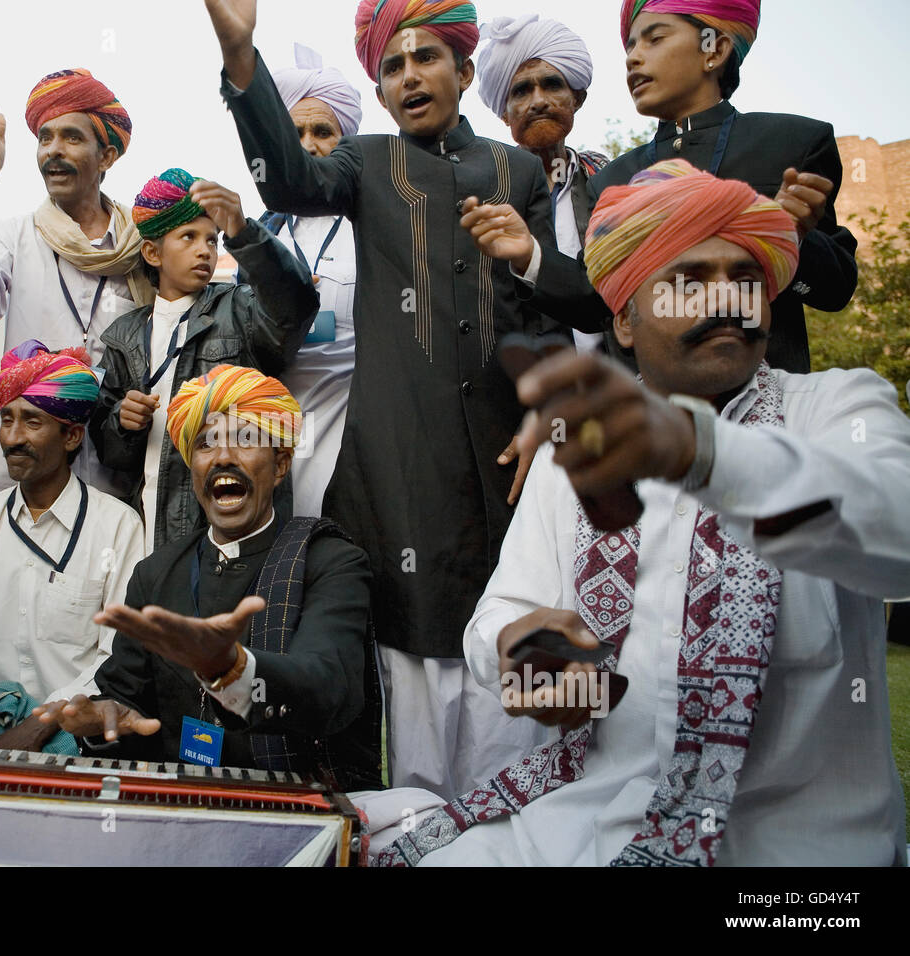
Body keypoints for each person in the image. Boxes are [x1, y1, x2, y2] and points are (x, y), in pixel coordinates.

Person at [366, 161, 910, 866]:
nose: (727, 302)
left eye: (745, 281)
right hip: (593, 816)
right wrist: (522, 652)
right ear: (623, 318)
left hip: (792, 854)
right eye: (689, 282)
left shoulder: (839, 408)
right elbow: (496, 621)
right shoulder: (575, 453)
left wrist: (695, 449)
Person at [205, 0, 564, 799]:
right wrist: (242, 59)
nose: (408, 77)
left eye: (425, 59)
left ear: (465, 71)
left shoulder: (518, 172)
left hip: (511, 464)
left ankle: (516, 838)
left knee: (513, 666)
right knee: (422, 681)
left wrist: (549, 403)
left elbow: (543, 314)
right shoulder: (366, 164)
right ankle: (430, 839)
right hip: (405, 475)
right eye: (391, 66)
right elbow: (291, 179)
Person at [39, 365, 380, 790]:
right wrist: (101, 724)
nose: (222, 456)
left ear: (280, 466)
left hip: (293, 807)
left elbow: (328, 688)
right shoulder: (156, 574)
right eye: (205, 444)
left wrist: (233, 669)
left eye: (246, 439)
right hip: (176, 808)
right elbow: (123, 699)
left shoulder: (331, 562)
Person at [527, 0, 858, 373]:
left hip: (764, 416)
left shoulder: (792, 142)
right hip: (656, 419)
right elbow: (596, 303)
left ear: (713, 50)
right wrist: (528, 257)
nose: (633, 58)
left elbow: (837, 290)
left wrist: (794, 237)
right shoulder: (611, 179)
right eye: (630, 46)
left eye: (654, 40)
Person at [0, 69, 152, 502]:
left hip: (115, 476)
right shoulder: (14, 237)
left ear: (108, 156)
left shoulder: (143, 246)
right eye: (45, 138)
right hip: (20, 476)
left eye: (72, 138)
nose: (54, 152)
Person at [90, 169, 317, 552]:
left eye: (212, 240)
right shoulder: (122, 336)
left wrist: (245, 233)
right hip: (144, 533)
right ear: (152, 252)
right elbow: (110, 452)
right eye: (189, 237)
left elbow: (293, 309)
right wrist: (123, 423)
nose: (205, 250)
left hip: (229, 533)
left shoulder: (239, 307)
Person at [0, 341, 142, 753]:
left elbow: (114, 656)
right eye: (7, 419)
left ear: (71, 436)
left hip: (70, 740)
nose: (13, 438)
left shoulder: (118, 527)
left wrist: (39, 726)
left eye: (32, 422)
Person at [258, 43, 362, 515]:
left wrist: (304, 317)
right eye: (294, 132)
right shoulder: (260, 235)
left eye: (323, 131)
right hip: (272, 424)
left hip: (353, 425)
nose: (308, 145)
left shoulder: (370, 226)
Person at [475, 14, 609, 351]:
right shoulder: (486, 192)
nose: (538, 101)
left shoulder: (605, 180)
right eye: (521, 90)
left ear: (577, 98)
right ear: (504, 113)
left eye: (551, 85)